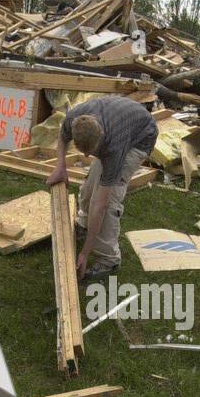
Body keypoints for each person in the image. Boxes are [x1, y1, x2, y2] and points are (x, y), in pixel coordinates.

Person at [46, 96, 157, 281]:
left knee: (110, 198)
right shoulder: (74, 119)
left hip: (140, 139)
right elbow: (62, 137)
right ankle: (84, 225)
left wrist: (85, 253)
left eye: (92, 152)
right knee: (90, 188)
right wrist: (60, 168)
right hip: (122, 120)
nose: (88, 155)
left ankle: (108, 258)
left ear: (102, 138)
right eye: (84, 152)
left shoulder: (114, 146)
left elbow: (100, 204)